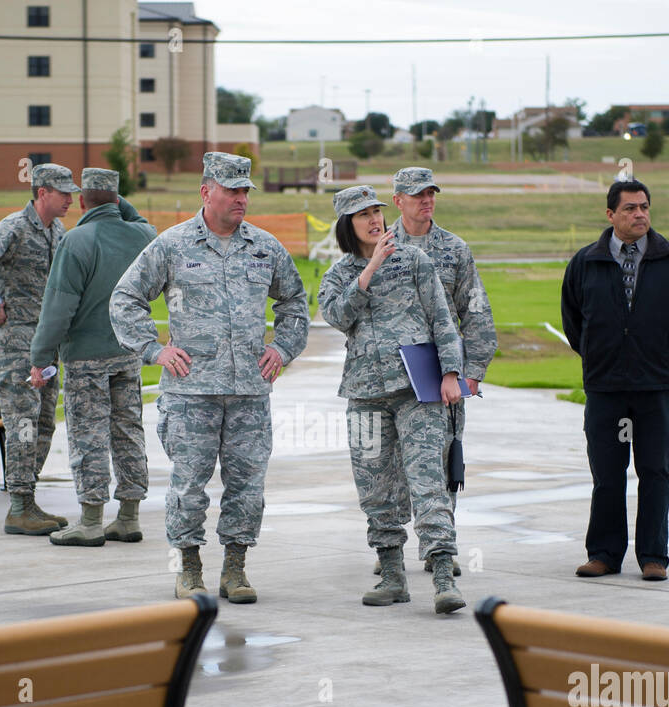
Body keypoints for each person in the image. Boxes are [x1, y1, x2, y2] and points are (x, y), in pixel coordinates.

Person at [110, 152, 309, 602]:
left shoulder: (264, 247)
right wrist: (153, 349)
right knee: (189, 484)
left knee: (248, 486)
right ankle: (189, 568)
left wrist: (281, 348)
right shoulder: (172, 245)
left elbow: (295, 303)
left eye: (244, 191)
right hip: (191, 393)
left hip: (249, 394)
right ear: (206, 192)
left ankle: (235, 570)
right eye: (232, 190)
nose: (241, 199)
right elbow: (126, 298)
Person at [318, 184, 466, 614]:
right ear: (348, 225)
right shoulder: (339, 274)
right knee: (375, 487)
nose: (374, 219)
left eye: (376, 211)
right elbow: (336, 316)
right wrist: (368, 272)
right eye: (362, 214)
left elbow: (442, 317)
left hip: (416, 392)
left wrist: (452, 373)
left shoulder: (415, 261)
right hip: (364, 393)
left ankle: (441, 575)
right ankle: (392, 574)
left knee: (427, 480)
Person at [561, 178, 669, 582]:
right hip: (605, 387)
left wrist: (663, 355)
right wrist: (599, 356)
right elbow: (574, 322)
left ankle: (653, 556)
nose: (639, 214)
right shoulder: (585, 262)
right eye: (629, 208)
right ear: (610, 215)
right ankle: (604, 554)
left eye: (644, 207)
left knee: (655, 472)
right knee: (607, 474)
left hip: (656, 387)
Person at [28, 168, 157, 546]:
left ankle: (90, 521)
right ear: (117, 199)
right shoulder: (143, 237)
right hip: (127, 352)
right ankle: (129, 517)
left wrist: (40, 357)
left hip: (85, 356)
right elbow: (137, 218)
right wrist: (115, 202)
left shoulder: (77, 240)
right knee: (128, 430)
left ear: (82, 201)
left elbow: (58, 308)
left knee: (89, 436)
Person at [384, 166, 497, 577]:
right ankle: (390, 551)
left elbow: (477, 312)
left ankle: (440, 549)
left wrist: (473, 370)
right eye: (417, 195)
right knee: (390, 464)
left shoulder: (453, 248)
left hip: (442, 370)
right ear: (398, 200)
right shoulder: (380, 245)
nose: (426, 201)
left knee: (443, 458)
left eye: (431, 193)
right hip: (390, 373)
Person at [0, 163, 77, 535]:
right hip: (17, 345)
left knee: (43, 423)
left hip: (46, 345)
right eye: (63, 193)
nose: (70, 199)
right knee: (23, 421)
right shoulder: (13, 227)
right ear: (42, 193)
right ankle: (19, 506)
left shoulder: (57, 230)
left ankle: (28, 499)